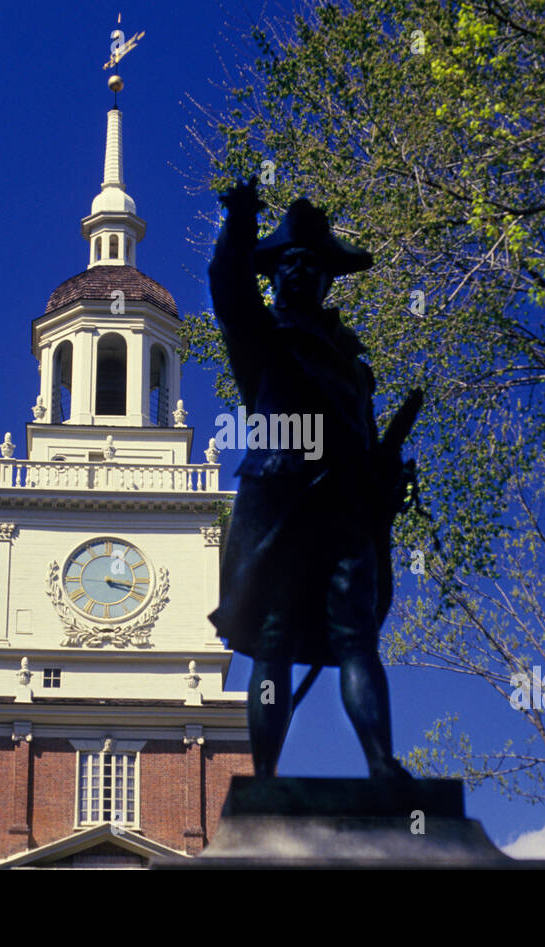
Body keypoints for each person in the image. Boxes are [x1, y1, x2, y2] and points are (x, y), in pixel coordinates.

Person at [207, 179, 412, 779]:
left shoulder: (352, 360)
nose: (299, 271)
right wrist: (241, 219)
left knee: (357, 640)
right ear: (272, 275)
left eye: (311, 263)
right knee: (273, 645)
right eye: (288, 262)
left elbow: (365, 437)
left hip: (347, 506)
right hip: (282, 502)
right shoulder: (261, 337)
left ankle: (382, 766)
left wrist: (384, 480)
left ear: (327, 277)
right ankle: (264, 779)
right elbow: (228, 286)